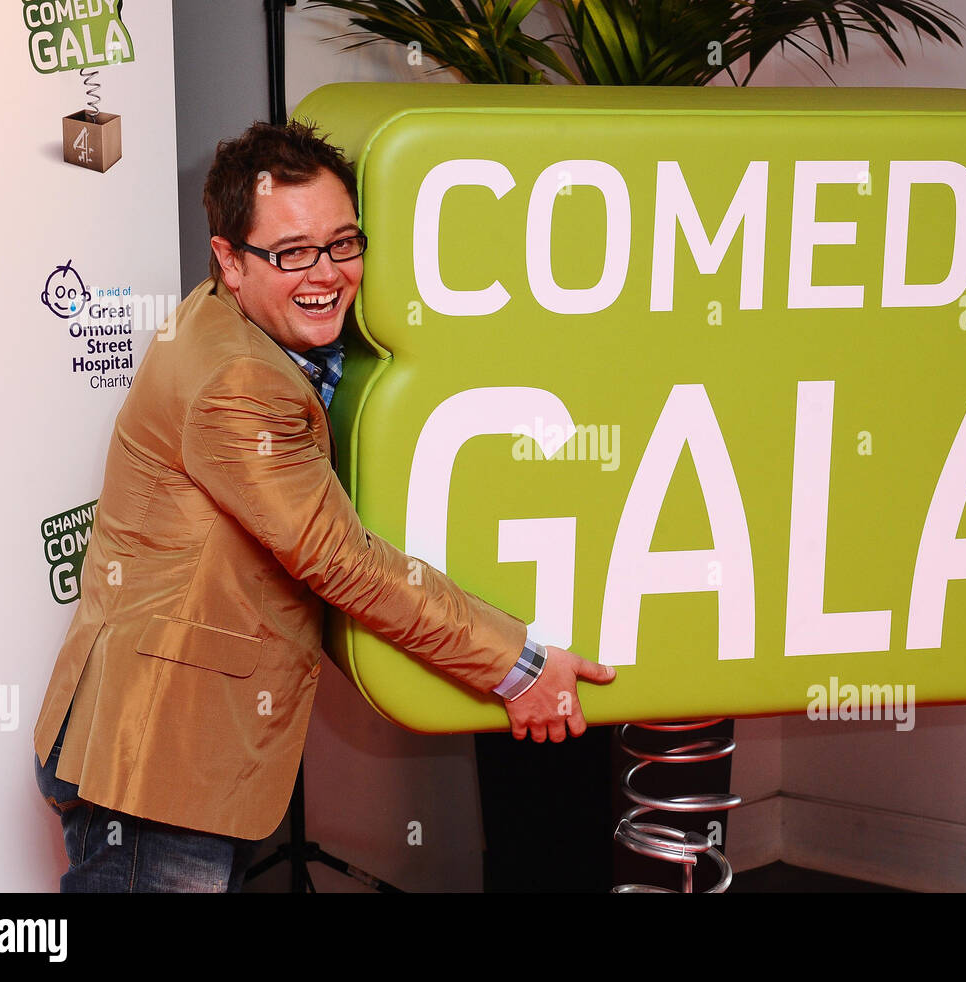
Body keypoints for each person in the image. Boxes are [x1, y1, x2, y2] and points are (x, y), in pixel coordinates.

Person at [32, 120, 615, 893]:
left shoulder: (228, 320)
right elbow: (341, 560)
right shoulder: (240, 383)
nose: (328, 273)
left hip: (167, 750)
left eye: (344, 244)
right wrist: (517, 667)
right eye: (292, 251)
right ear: (229, 261)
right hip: (157, 765)